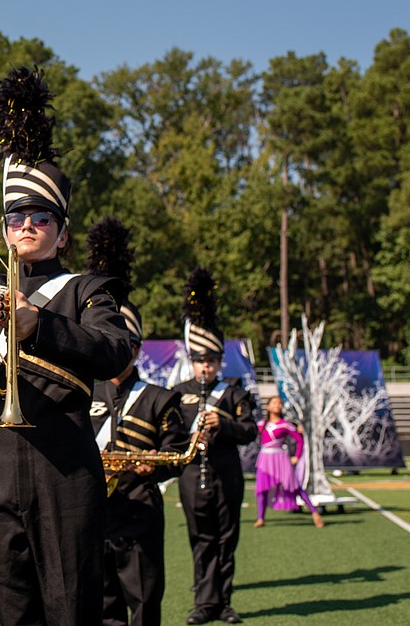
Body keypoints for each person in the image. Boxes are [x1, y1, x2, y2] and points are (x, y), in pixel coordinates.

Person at [0, 67, 134, 626]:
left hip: (64, 465)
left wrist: (41, 326)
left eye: (40, 216)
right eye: (16, 216)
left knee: (70, 608)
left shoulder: (86, 289)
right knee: (14, 608)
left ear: (63, 230)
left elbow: (115, 349)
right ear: (3, 225)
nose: (26, 225)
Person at [86, 216, 190, 626]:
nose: (118, 350)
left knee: (144, 601)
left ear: (137, 347)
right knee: (103, 602)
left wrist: (156, 465)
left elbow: (177, 450)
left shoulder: (161, 398)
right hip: (94, 509)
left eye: (126, 344)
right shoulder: (86, 391)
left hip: (140, 507)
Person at [171, 268, 257, 625]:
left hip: (226, 473)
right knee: (200, 538)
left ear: (220, 362)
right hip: (192, 474)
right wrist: (189, 439)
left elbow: (250, 431)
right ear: (192, 362)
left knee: (225, 539)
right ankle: (203, 603)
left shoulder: (235, 393)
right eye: (200, 361)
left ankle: (223, 603)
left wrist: (224, 424)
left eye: (211, 361)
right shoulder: (178, 395)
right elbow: (171, 438)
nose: (205, 367)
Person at [252, 396, 324, 528]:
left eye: (280, 403)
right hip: (265, 459)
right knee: (262, 489)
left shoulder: (285, 425)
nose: (277, 405)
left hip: (280, 459)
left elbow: (299, 440)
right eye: (274, 403)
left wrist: (296, 456)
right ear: (268, 407)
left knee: (294, 486)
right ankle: (261, 518)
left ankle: (314, 513)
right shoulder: (261, 425)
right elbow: (248, 434)